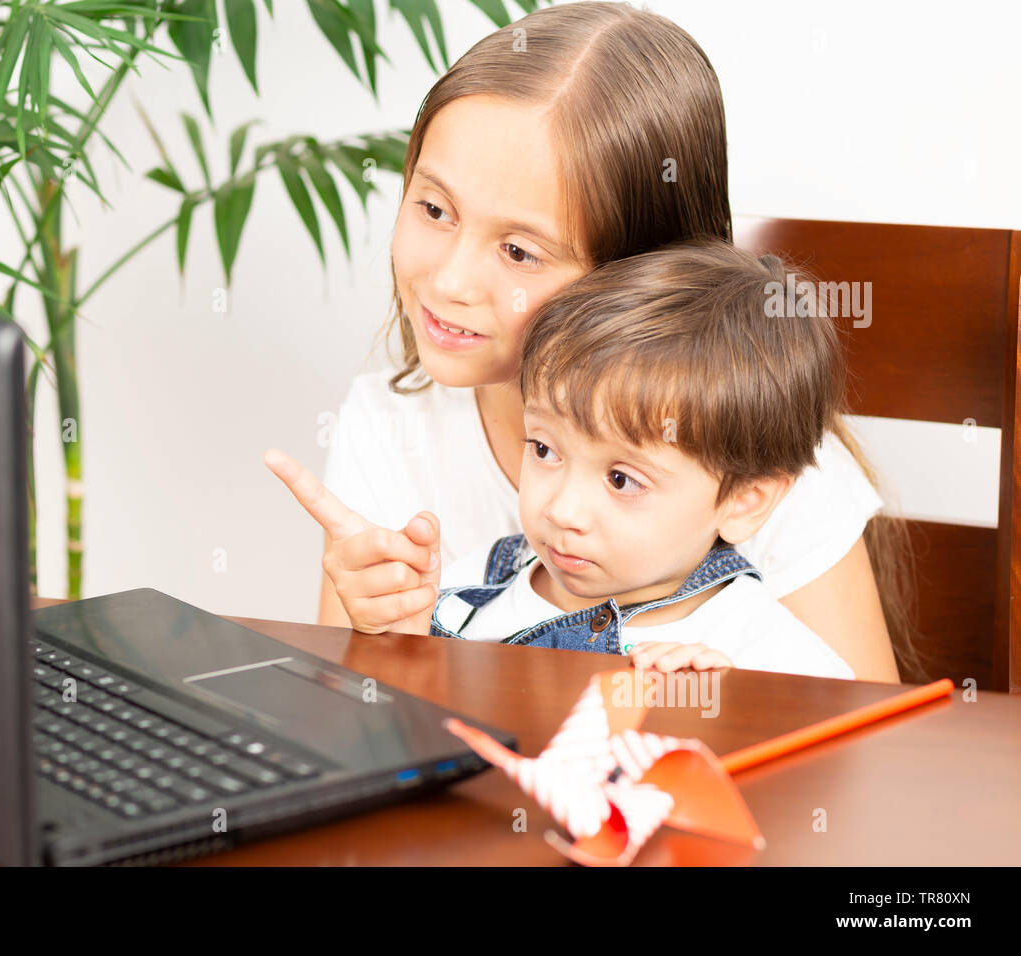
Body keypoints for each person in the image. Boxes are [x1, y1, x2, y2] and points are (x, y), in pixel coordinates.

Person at [308, 1, 905, 682]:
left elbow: (871, 754)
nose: (448, 281)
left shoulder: (747, 449)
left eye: (519, 251)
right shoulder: (389, 424)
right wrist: (383, 641)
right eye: (435, 209)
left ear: (637, 275)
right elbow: (357, 727)